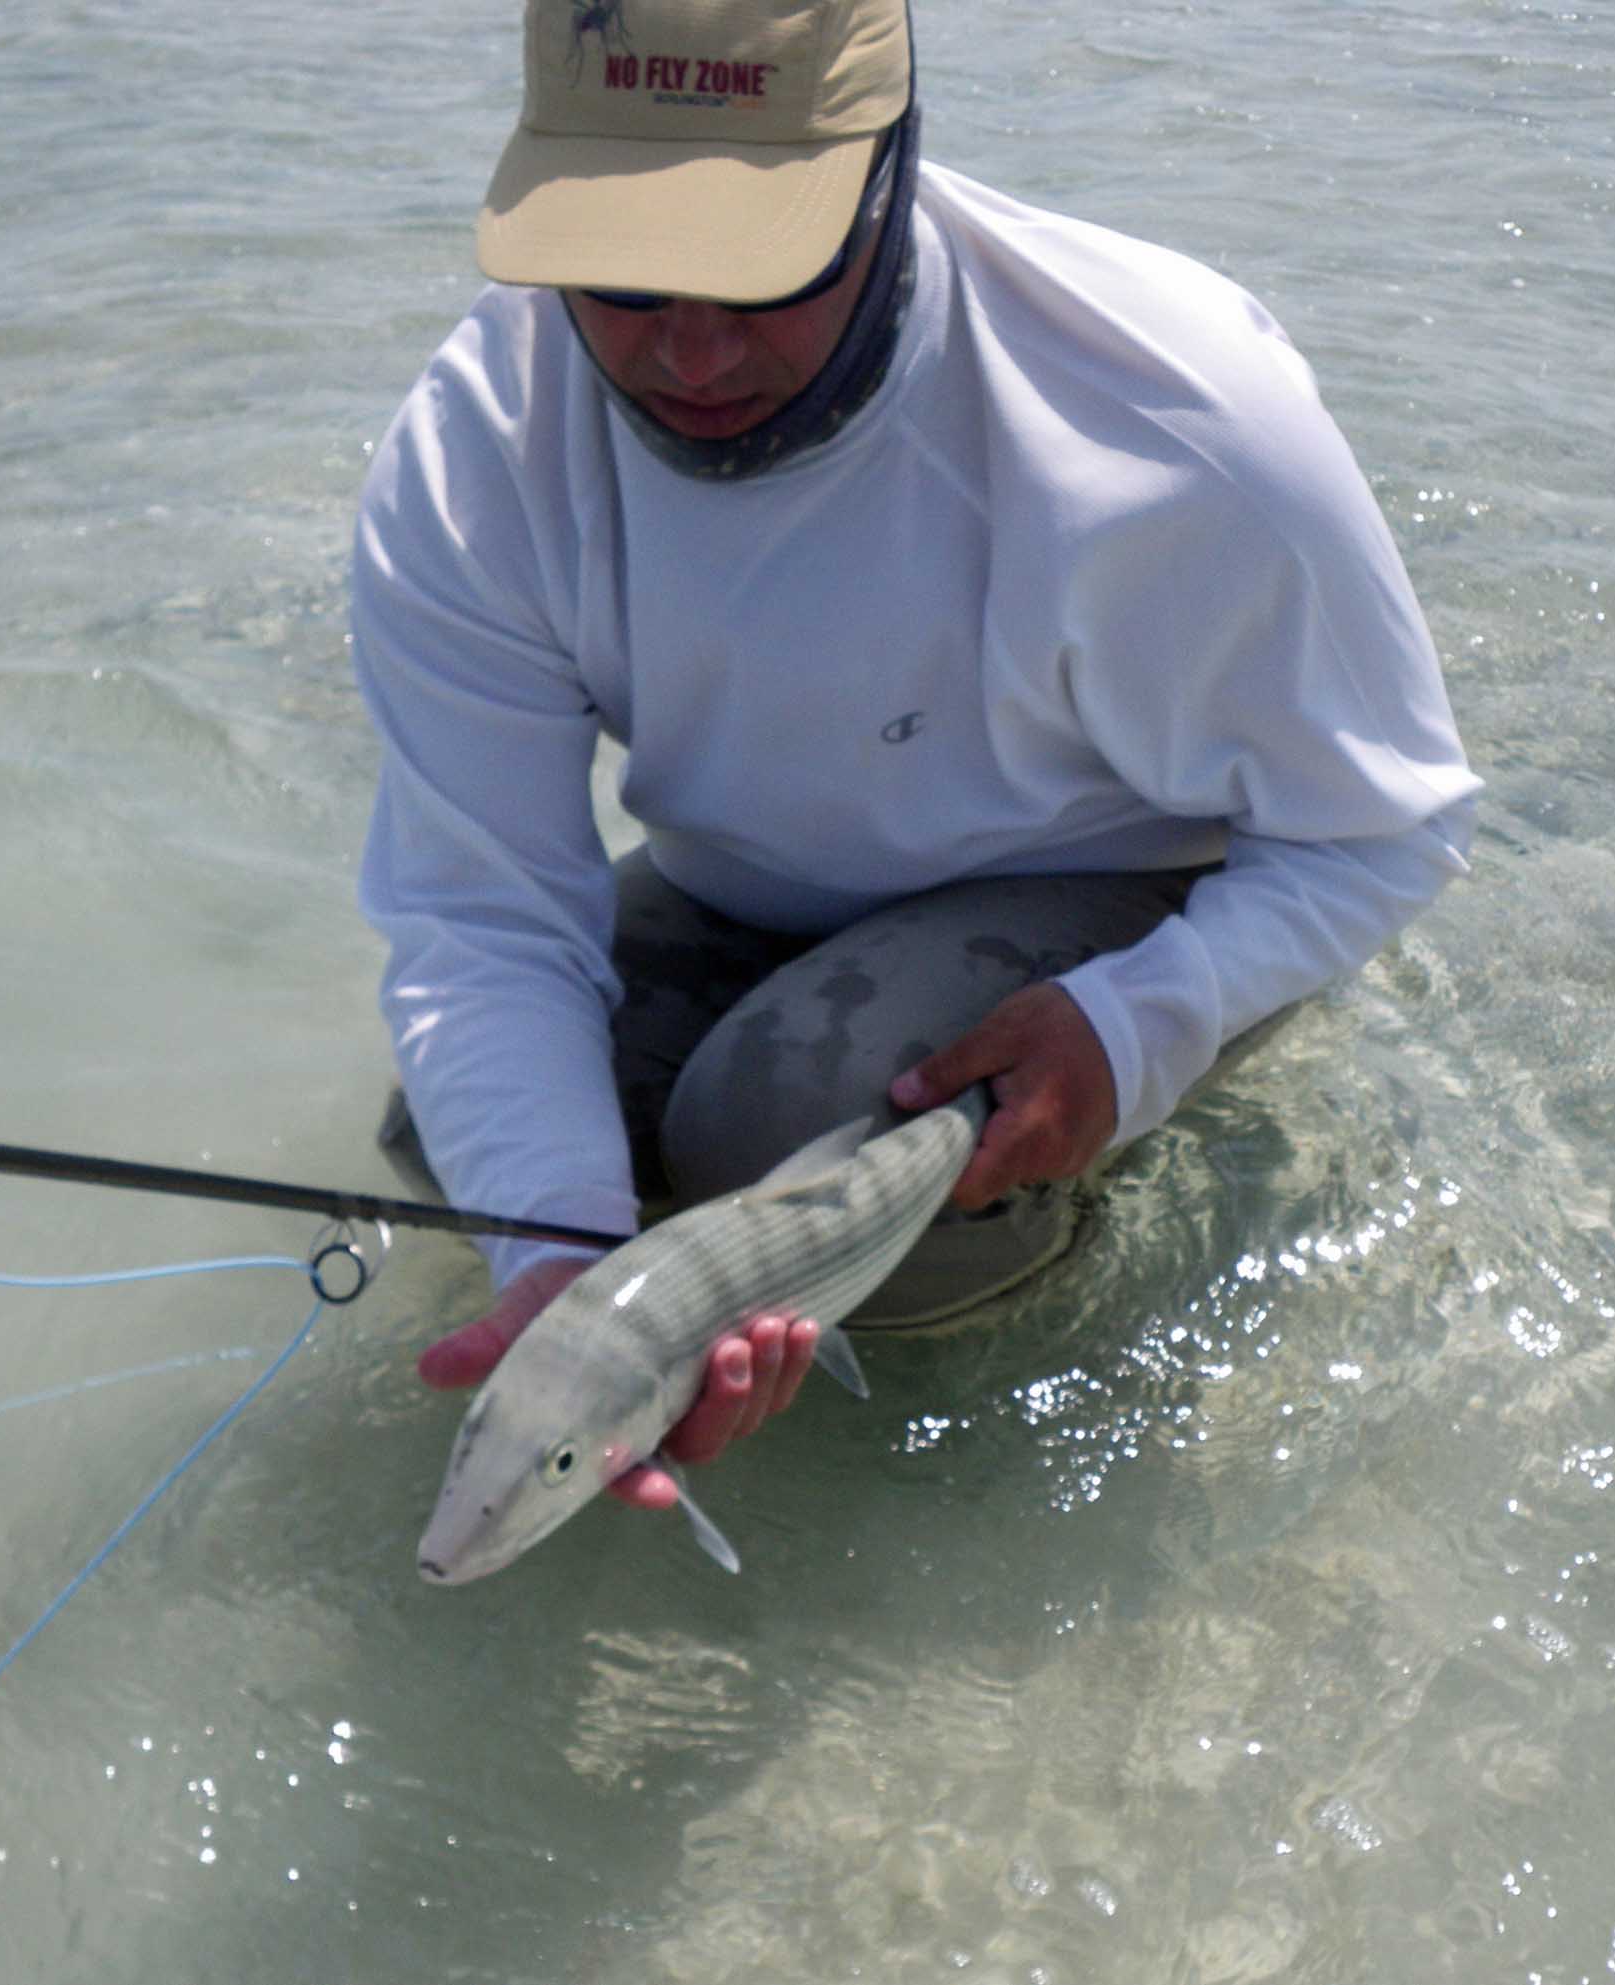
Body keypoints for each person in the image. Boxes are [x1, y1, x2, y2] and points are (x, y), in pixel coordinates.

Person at [350, 0, 1479, 1519]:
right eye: (617, 267)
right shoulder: (473, 441)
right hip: (756, 884)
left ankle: (1034, 1258)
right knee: (455, 1132)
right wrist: (554, 1261)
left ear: (892, 166)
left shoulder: (1180, 415)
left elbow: (1383, 829)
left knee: (759, 1124)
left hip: (1106, 876)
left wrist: (1140, 1024)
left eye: (762, 264)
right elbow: (478, 916)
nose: (687, 347)